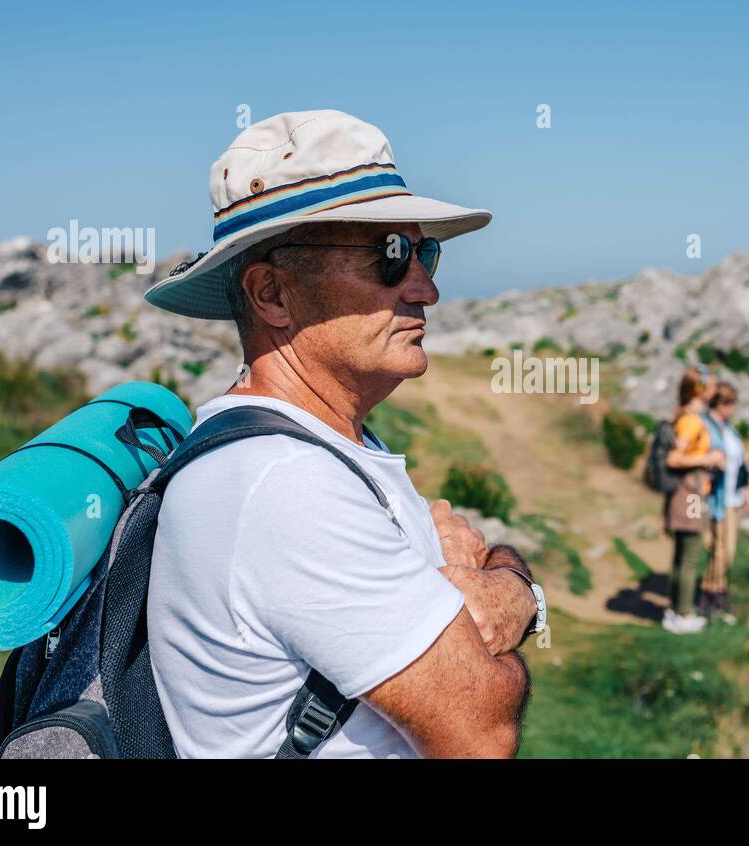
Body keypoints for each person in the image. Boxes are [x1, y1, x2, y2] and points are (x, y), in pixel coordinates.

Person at [142, 110, 545, 758]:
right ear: (272, 293)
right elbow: (482, 729)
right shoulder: (285, 484)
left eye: (426, 250)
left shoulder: (324, 448)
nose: (427, 288)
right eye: (389, 253)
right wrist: (513, 586)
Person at [662, 368, 726, 634]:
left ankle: (675, 610)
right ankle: (684, 614)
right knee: (689, 556)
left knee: (681, 556)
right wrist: (708, 459)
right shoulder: (691, 421)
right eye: (710, 384)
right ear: (699, 390)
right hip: (690, 494)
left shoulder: (686, 417)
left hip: (684, 493)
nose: (715, 387)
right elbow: (674, 458)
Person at [700, 382, 749, 623]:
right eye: (731, 404)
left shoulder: (730, 430)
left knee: (726, 551)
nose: (734, 409)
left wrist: (747, 488)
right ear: (721, 404)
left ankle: (716, 593)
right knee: (719, 549)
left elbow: (740, 463)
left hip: (732, 497)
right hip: (715, 497)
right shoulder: (707, 427)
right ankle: (709, 594)